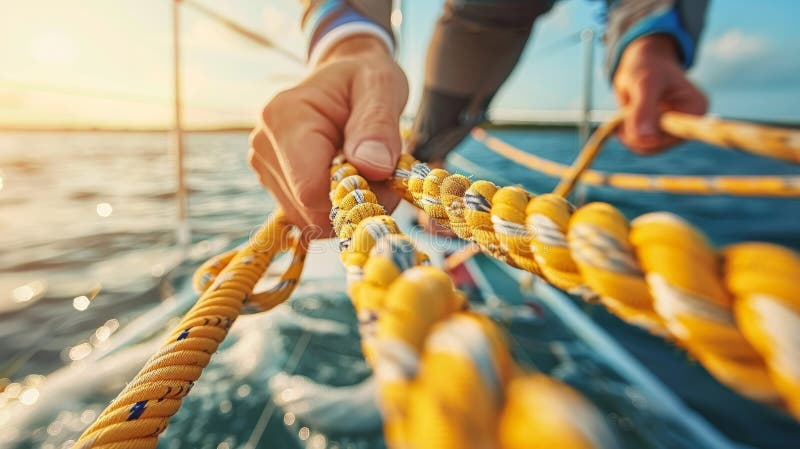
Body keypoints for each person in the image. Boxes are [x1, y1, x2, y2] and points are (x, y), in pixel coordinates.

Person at [248, 0, 708, 235]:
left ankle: (429, 181)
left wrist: (647, 37)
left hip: (494, 16)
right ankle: (427, 170)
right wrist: (349, 46)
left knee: (442, 123)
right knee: (434, 131)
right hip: (478, 21)